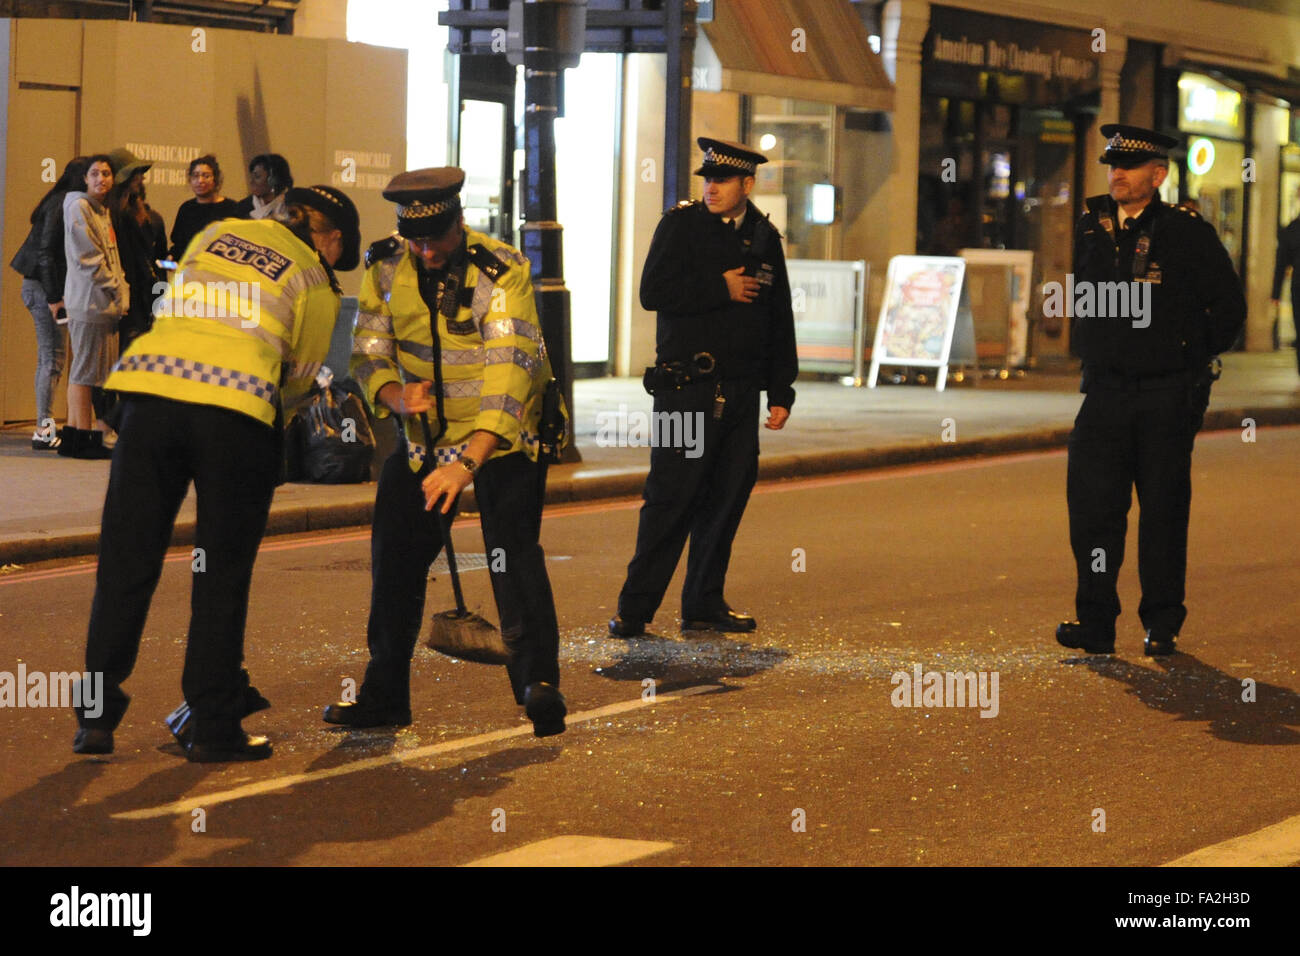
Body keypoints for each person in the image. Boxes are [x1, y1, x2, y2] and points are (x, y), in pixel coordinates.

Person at [71, 185, 361, 761]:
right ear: (327, 237)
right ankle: (212, 723)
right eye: (337, 248)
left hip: (150, 400)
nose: (335, 259)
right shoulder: (314, 278)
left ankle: (96, 718)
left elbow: (173, 311)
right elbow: (300, 379)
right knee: (219, 574)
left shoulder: (212, 235)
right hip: (235, 421)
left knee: (127, 558)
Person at [322, 167, 569, 738]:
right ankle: (385, 695)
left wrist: (466, 463)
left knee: (512, 557)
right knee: (395, 564)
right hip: (422, 448)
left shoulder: (502, 270)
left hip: (502, 442)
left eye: (436, 239)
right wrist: (391, 394)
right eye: (417, 240)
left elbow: (511, 373)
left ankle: (539, 685)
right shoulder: (386, 267)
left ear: (461, 222)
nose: (426, 252)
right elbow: (368, 352)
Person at [1056, 124, 1245, 658]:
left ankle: (1162, 622)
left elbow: (1228, 307)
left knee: (1162, 511)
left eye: (1128, 166)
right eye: (1111, 165)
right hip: (1105, 394)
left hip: (1165, 394)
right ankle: (1095, 622)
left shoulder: (1186, 232)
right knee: (1093, 511)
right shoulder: (1093, 226)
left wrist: (1188, 358)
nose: (1115, 174)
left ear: (1156, 175)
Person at [608, 138, 798, 638]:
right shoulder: (681, 225)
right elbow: (653, 292)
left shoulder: (762, 235)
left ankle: (703, 602)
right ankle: (635, 608)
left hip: (739, 392)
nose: (711, 188)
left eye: (722, 180)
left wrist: (781, 390)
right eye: (707, 179)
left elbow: (779, 318)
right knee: (670, 498)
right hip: (684, 389)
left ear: (747, 184)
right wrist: (722, 288)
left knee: (726, 499)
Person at [9, 156, 89, 450]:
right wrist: (55, 297)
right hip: (44, 289)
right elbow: (46, 254)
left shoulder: (59, 200)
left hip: (42, 287)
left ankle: (46, 427)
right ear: (82, 178)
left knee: (52, 358)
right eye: (93, 174)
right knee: (52, 358)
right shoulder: (63, 203)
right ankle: (43, 430)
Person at [61, 154, 128, 459]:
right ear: (84, 179)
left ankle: (80, 437)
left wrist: (120, 291)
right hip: (89, 303)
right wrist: (116, 290)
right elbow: (89, 258)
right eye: (95, 174)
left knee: (93, 373)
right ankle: (79, 438)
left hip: (104, 306)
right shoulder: (79, 207)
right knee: (84, 372)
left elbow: (111, 256)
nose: (102, 179)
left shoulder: (102, 210)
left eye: (106, 173)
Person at [105, 148, 162, 349]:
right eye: (135, 173)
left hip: (138, 298)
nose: (140, 178)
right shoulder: (111, 214)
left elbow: (146, 257)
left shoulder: (139, 214)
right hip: (119, 298)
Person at [166, 154, 241, 261]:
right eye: (195, 176)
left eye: (206, 176)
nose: (200, 181)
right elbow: (179, 244)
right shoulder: (186, 208)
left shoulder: (231, 208)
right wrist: (171, 257)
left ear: (215, 179)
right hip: (191, 272)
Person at [1270, 191, 1300, 373]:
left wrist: (1275, 293)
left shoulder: (1292, 229)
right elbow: (1281, 263)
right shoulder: (1292, 230)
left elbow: (1281, 263)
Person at [234, 153, 294, 220]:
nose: (251, 181)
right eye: (251, 177)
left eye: (257, 177)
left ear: (273, 180)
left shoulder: (293, 204)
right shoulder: (242, 208)